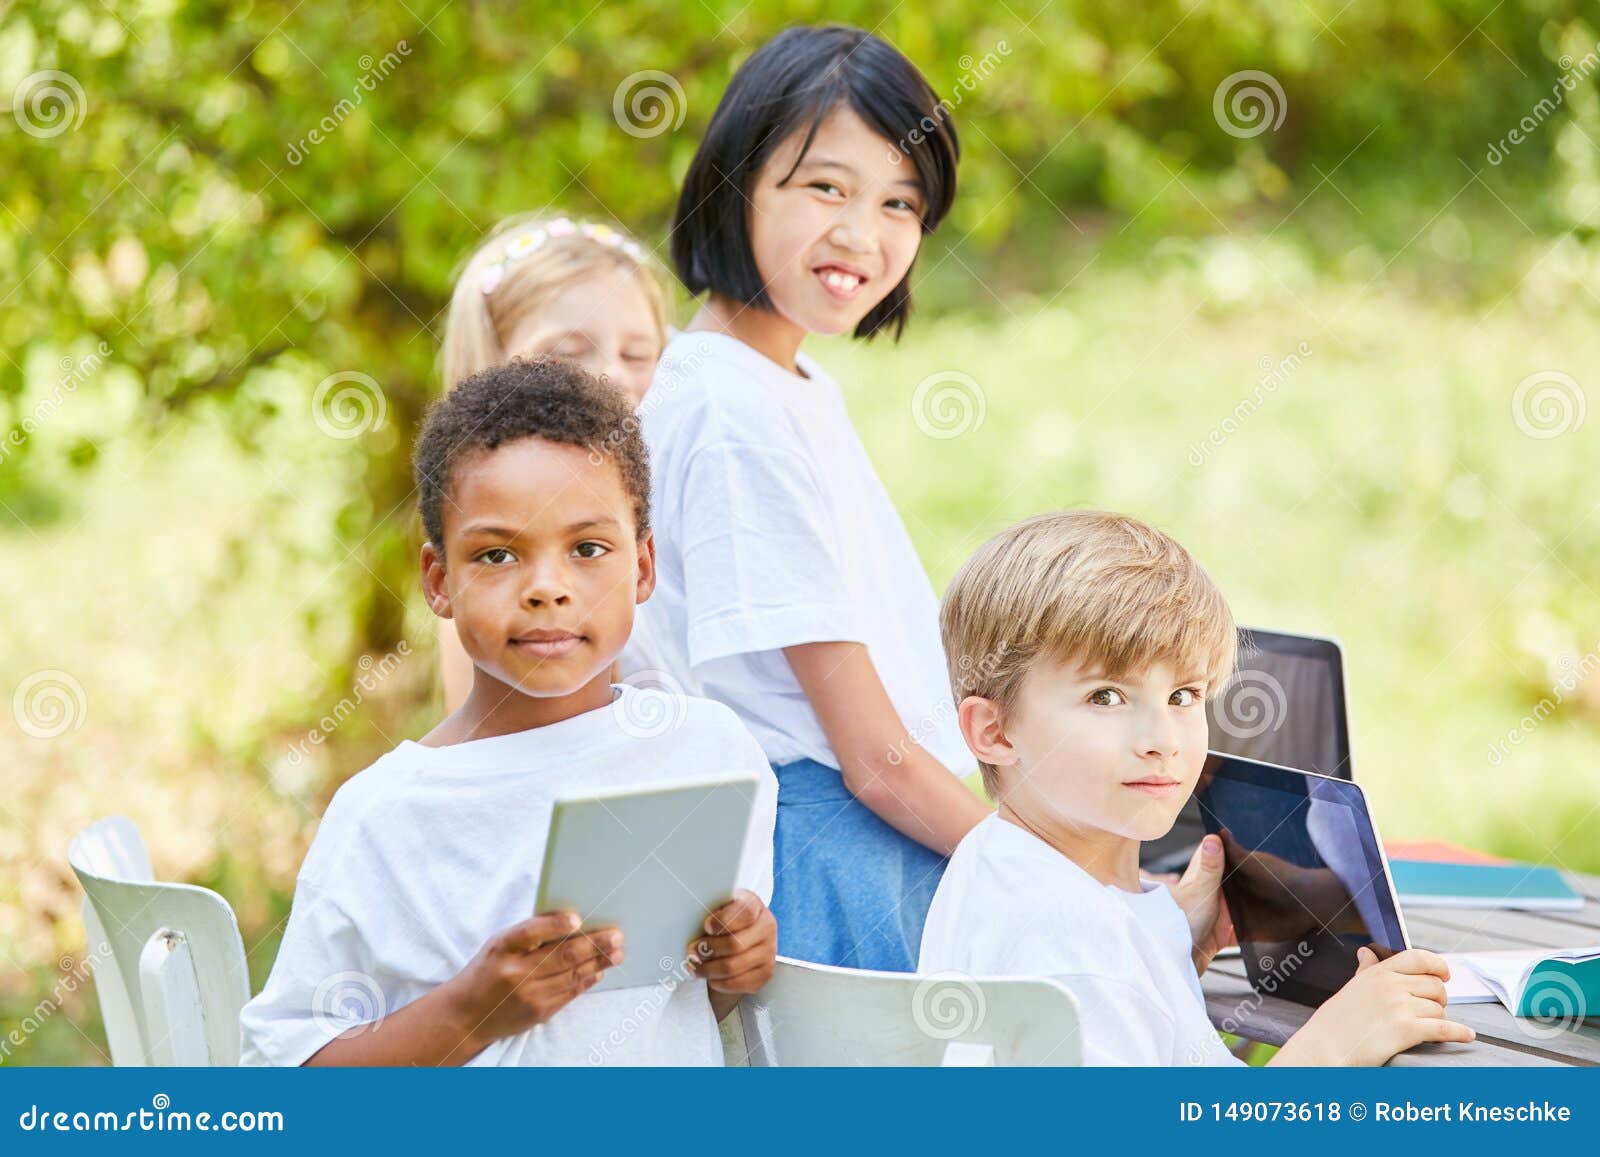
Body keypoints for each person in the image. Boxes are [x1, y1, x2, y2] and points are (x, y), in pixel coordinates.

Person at [239, 359, 778, 1066]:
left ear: (643, 567)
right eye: (497, 554)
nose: (547, 588)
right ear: (439, 581)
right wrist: (470, 1012)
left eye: (588, 548)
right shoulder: (388, 814)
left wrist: (739, 962)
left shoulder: (709, 755)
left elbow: (680, 1008)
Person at [641, 24, 989, 972]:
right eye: (825, 187)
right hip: (830, 858)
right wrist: (1057, 880)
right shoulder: (730, 408)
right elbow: (873, 759)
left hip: (874, 840)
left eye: (899, 203)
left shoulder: (780, 384)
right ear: (736, 182)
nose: (861, 235)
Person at [920, 510, 1476, 1066]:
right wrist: (1334, 1046)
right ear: (993, 732)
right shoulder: (1075, 953)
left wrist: (1167, 941)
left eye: (1183, 695)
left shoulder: (997, 863)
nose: (1161, 739)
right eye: (1106, 697)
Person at [437, 215, 669, 711]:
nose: (611, 377)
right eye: (567, 353)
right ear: (493, 362)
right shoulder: (480, 550)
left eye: (637, 355)